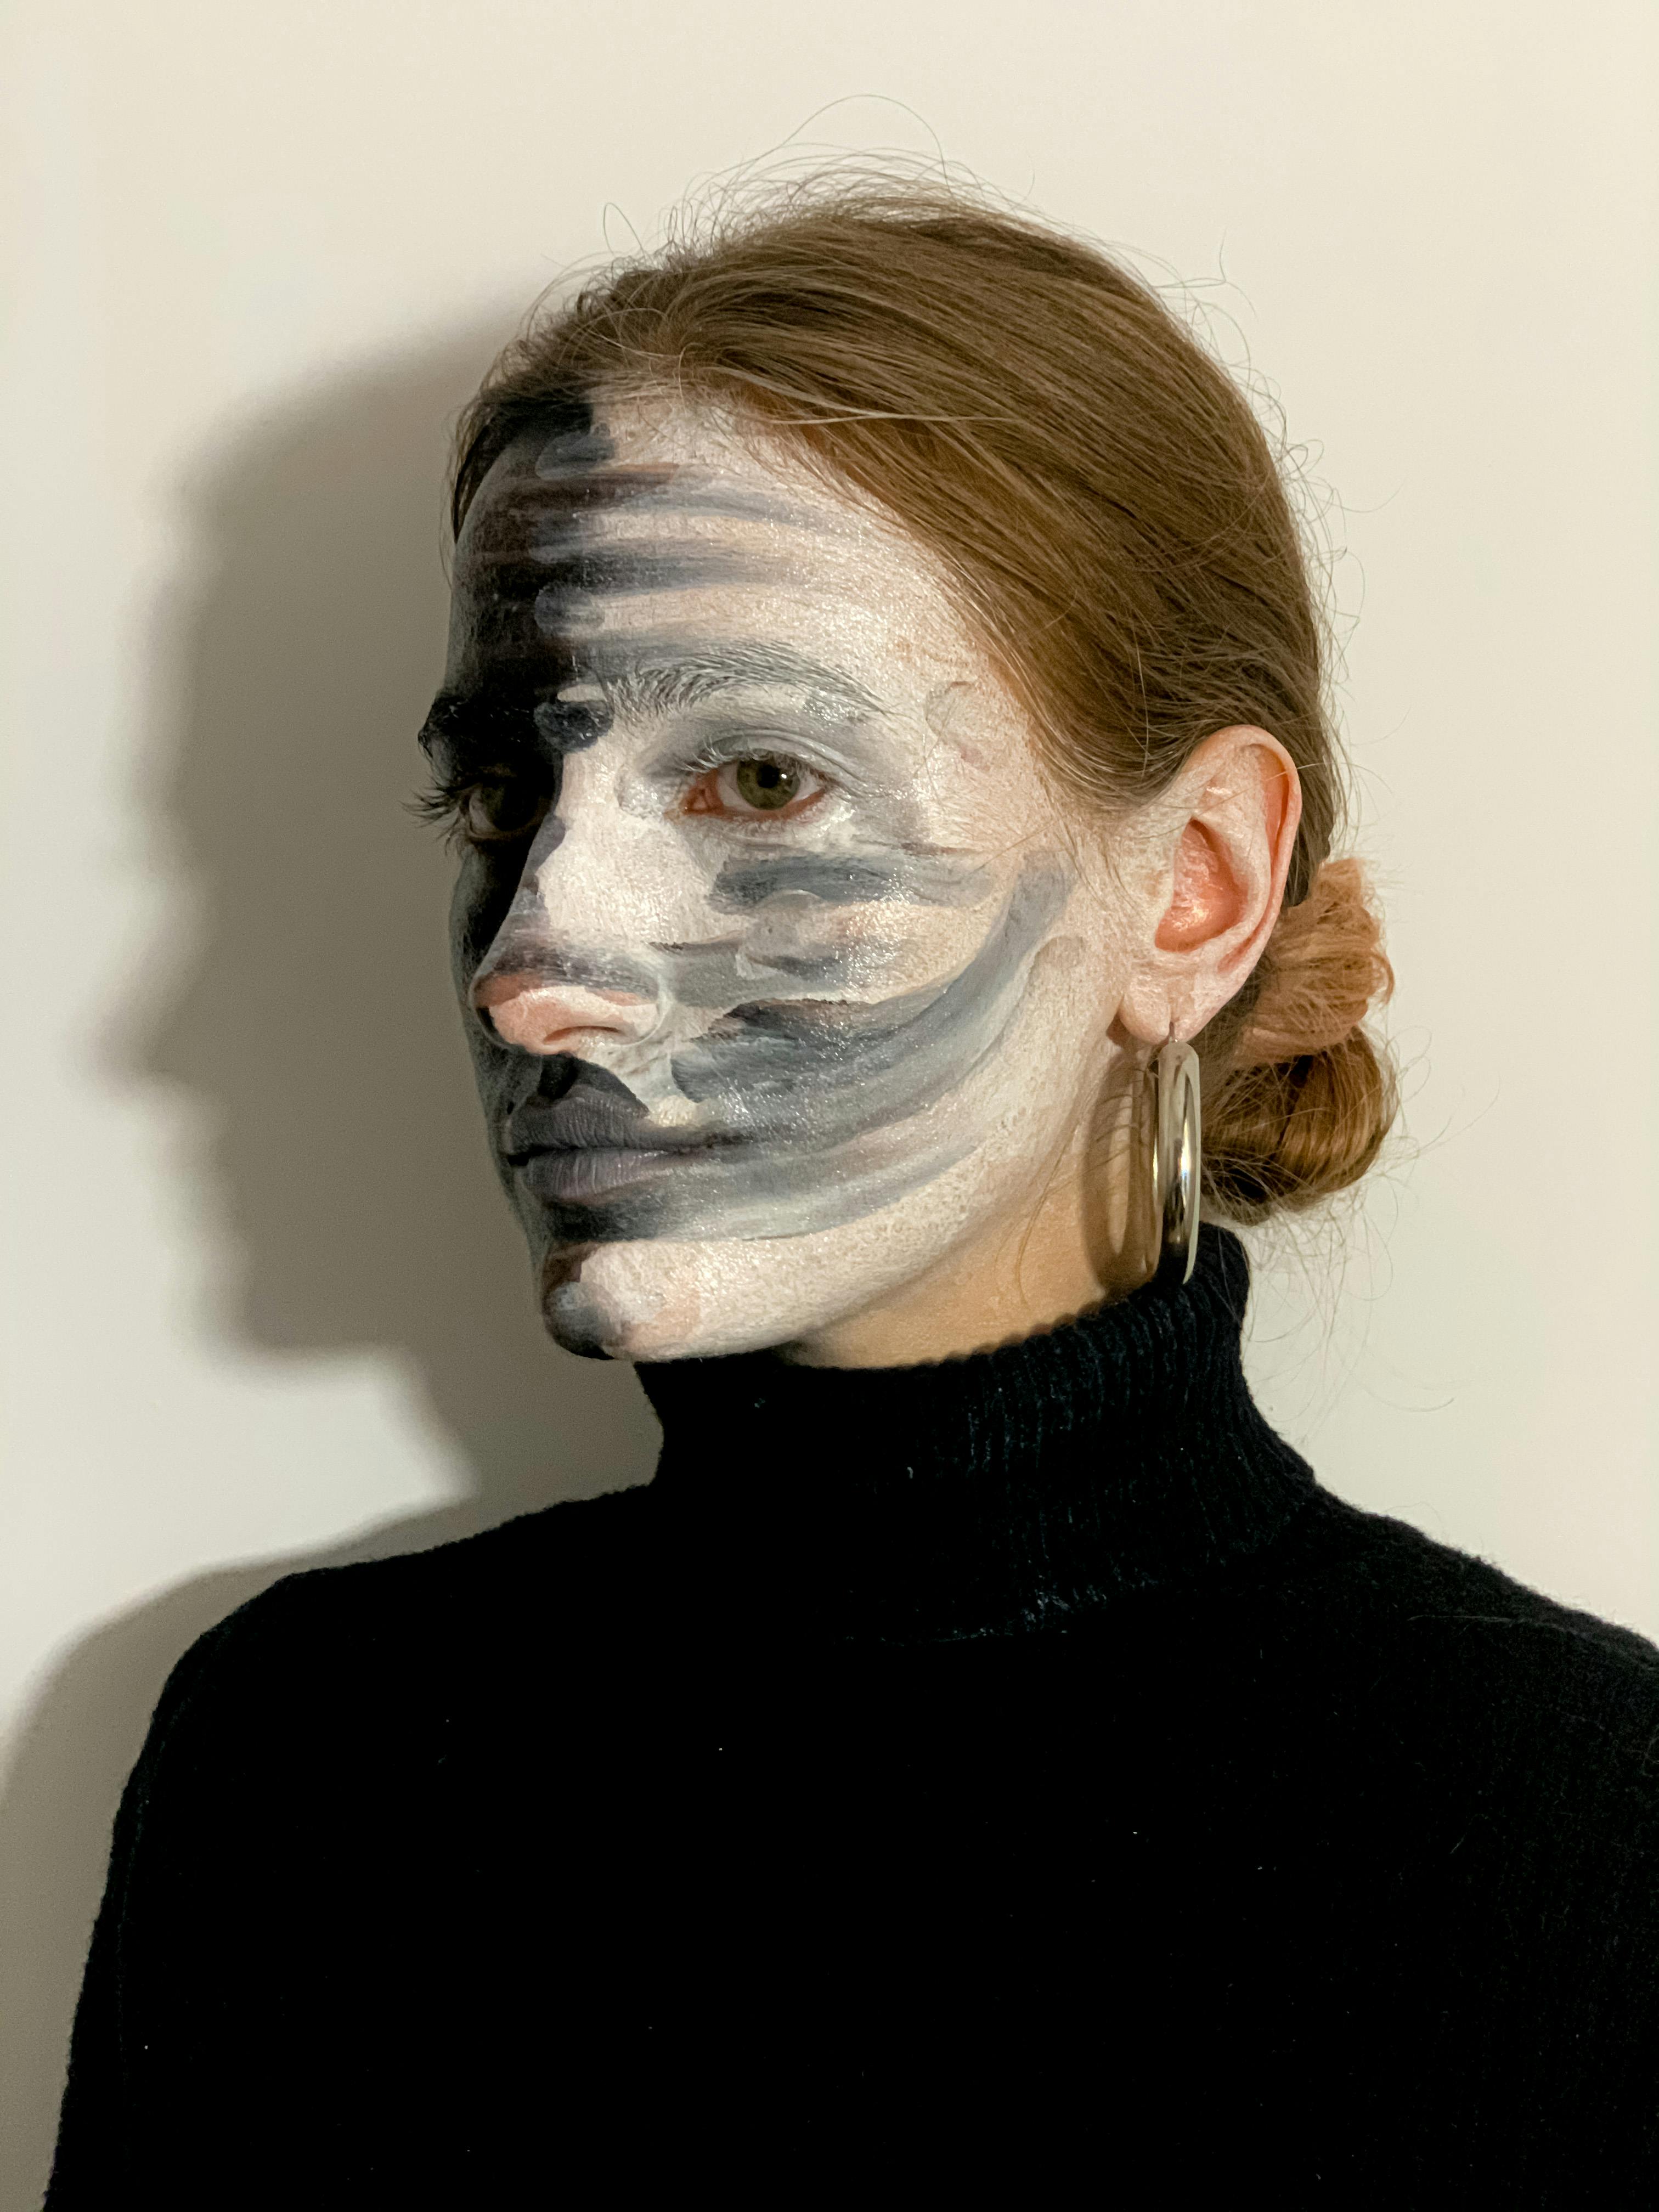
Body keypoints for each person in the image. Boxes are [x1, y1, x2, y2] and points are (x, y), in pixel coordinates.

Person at [49, 182, 1659, 2204]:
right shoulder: (311, 1767)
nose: (531, 962)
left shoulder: (1585, 1839)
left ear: (1196, 888)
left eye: (760, 781)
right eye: (500, 795)